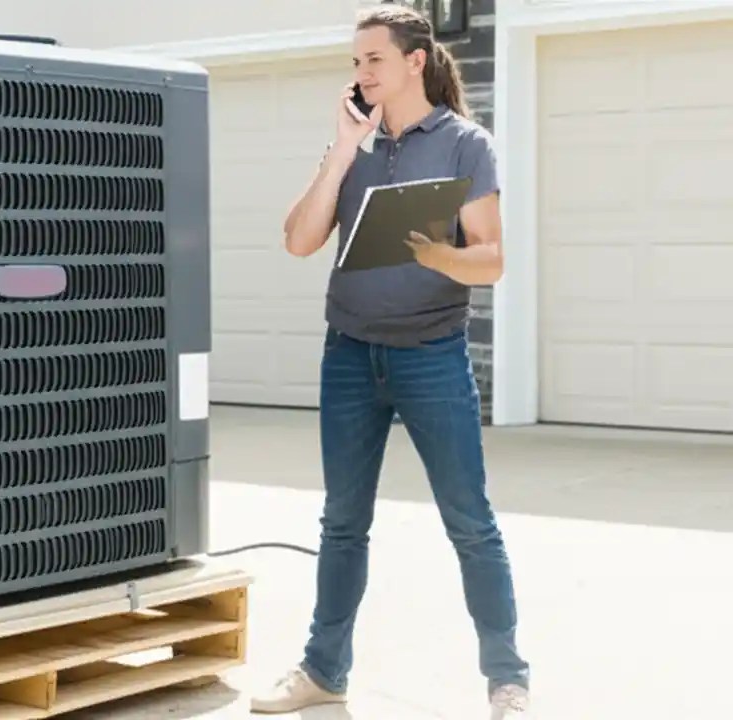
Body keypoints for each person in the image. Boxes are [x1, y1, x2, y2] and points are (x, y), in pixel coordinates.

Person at [249, 5, 531, 719]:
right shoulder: (354, 143)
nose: (361, 72)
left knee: (470, 521)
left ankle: (507, 680)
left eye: (373, 59)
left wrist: (436, 254)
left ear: (415, 61)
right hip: (349, 354)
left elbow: (491, 260)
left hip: (431, 356)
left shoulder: (466, 145)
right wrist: (343, 150)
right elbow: (299, 240)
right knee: (342, 523)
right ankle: (324, 671)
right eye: (355, 62)